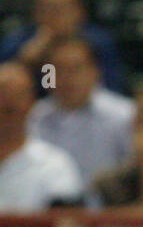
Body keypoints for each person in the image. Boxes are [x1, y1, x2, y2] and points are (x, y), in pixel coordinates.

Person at [26, 36, 135, 191]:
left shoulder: (125, 115)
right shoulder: (33, 117)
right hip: (47, 210)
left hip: (108, 210)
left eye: (76, 68)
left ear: (95, 72)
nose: (67, 77)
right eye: (58, 70)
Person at [0, 0, 126, 95]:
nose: (55, 16)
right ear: (35, 12)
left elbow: (113, 87)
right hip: (37, 110)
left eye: (61, 8)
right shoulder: (18, 41)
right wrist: (25, 62)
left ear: (79, 11)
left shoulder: (98, 42)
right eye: (47, 8)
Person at [0, 63, 83, 211]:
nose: (7, 103)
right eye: (2, 95)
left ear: (31, 103)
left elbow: (63, 226)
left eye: (16, 96)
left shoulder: (55, 165)